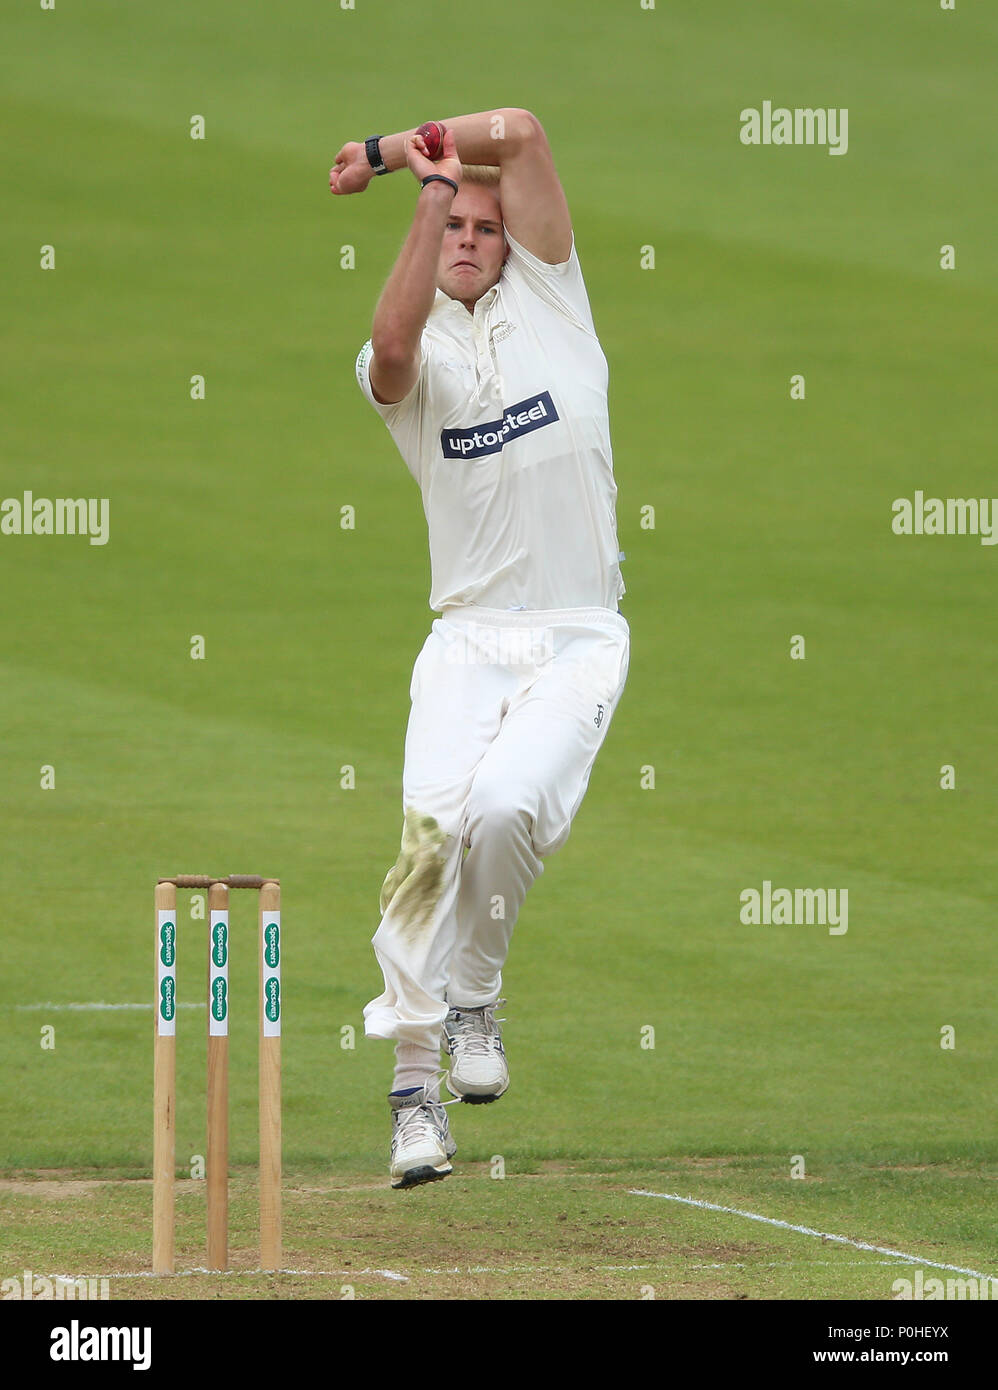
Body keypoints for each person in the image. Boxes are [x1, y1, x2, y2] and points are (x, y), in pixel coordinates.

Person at [330, 108, 630, 1188]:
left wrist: (385, 148)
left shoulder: (556, 301)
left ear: (517, 248)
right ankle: (413, 1091)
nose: (467, 238)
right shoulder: (404, 355)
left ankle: (474, 997)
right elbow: (397, 349)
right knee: (424, 848)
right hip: (465, 642)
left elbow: (529, 130)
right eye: (454, 224)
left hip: (577, 635)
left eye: (483, 227)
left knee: (504, 806)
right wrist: (421, 188)